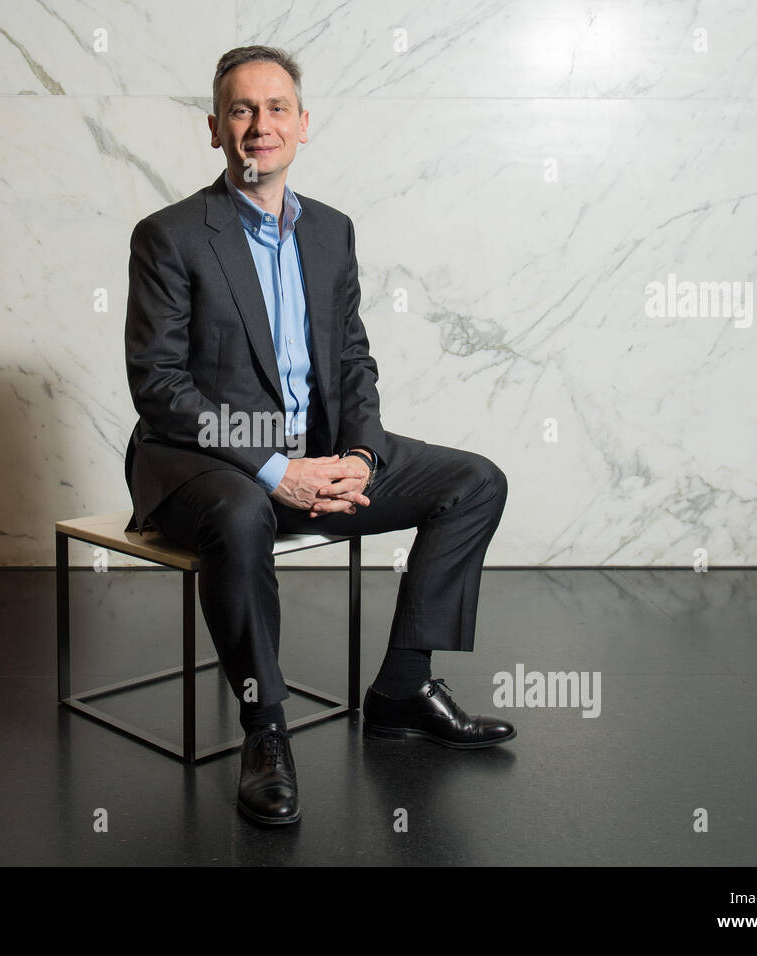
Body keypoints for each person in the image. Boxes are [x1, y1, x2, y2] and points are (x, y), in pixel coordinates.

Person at [123, 45, 515, 827]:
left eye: (276, 109)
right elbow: (160, 386)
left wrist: (362, 454)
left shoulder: (332, 231)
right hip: (206, 462)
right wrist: (277, 470)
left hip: (322, 452)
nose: (259, 125)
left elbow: (352, 359)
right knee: (242, 514)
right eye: (241, 110)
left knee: (474, 481)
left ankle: (402, 688)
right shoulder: (171, 235)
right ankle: (266, 730)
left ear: (303, 125)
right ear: (215, 129)